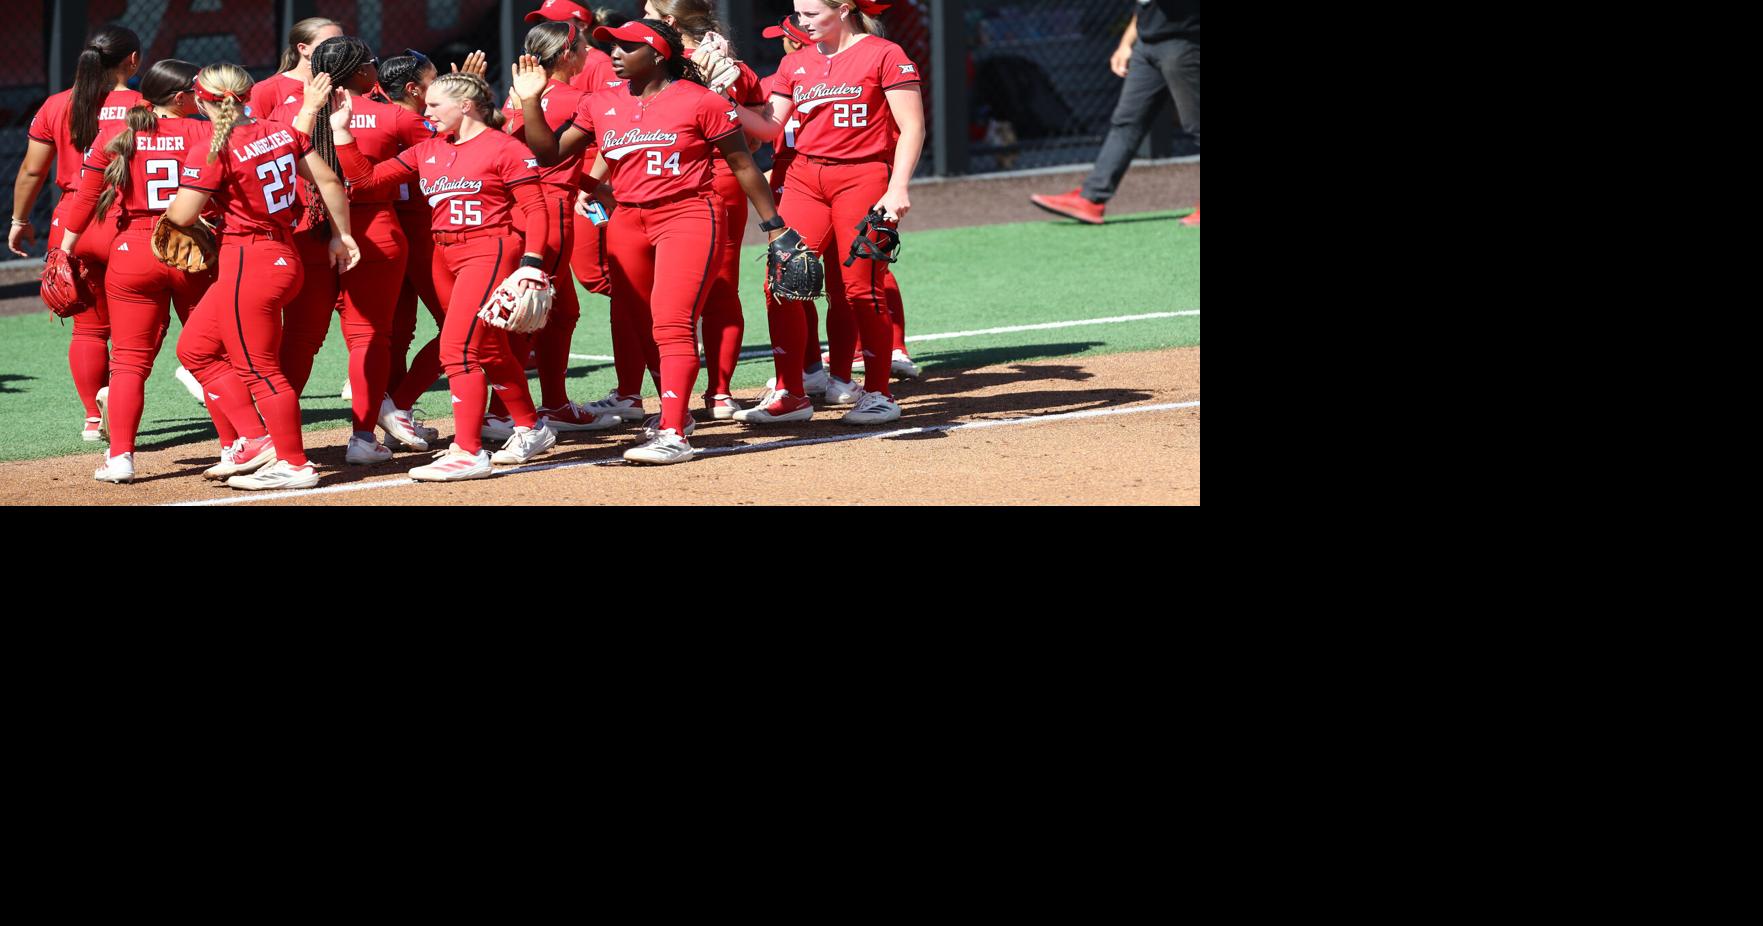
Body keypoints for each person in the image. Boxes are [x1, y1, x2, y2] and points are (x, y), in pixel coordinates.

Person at [514, 17, 792, 464]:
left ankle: (673, 432)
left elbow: (743, 165)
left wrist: (775, 226)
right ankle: (674, 411)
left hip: (688, 215)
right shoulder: (600, 102)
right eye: (613, 46)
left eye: (627, 47)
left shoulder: (700, 100)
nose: (615, 55)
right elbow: (547, 154)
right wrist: (530, 101)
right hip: (627, 221)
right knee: (641, 323)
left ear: (659, 55)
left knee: (671, 322)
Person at [331, 73, 559, 482]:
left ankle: (467, 451)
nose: (427, 112)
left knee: (459, 350)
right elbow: (365, 184)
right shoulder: (428, 149)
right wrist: (342, 133)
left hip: (489, 249)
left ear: (466, 105)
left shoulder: (504, 147)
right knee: (487, 347)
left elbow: (536, 208)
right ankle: (531, 427)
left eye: (436, 105)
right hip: (444, 253)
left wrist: (532, 262)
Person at [727, 0, 925, 427]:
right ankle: (792, 393)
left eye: (813, 13)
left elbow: (912, 126)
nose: (803, 22)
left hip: (863, 176)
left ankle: (878, 393)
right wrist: (723, 100)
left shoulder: (884, 54)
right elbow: (767, 129)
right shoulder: (796, 63)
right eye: (799, 14)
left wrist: (899, 186)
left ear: (845, 9)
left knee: (860, 287)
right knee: (782, 279)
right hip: (804, 177)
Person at [169, 63, 360, 491]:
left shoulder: (212, 149)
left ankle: (293, 463)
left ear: (201, 102)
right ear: (247, 95)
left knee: (260, 369)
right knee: (195, 349)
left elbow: (181, 216)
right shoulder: (280, 130)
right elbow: (329, 180)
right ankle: (255, 440)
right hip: (280, 254)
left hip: (249, 260)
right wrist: (341, 235)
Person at [274, 37, 437, 466]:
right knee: (369, 338)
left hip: (308, 229)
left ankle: (278, 442)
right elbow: (449, 149)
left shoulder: (287, 112)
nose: (376, 70)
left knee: (300, 339)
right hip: (371, 232)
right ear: (362, 73)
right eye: (372, 63)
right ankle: (363, 438)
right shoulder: (394, 116)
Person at [54, 59, 213, 484]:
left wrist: (64, 252)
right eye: (197, 90)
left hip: (134, 248)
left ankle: (121, 457)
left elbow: (84, 199)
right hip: (192, 246)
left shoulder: (115, 133)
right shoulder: (205, 130)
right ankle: (240, 445)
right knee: (217, 356)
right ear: (179, 97)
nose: (203, 96)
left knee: (126, 364)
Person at [9, 25, 142, 441]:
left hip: (72, 219)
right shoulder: (145, 103)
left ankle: (91, 416)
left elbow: (32, 170)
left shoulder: (56, 104)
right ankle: (118, 397)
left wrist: (19, 220)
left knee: (88, 328)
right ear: (133, 61)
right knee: (136, 329)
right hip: (129, 216)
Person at [486, 18, 614, 436]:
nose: (587, 55)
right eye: (581, 48)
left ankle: (554, 403)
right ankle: (503, 411)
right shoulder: (573, 96)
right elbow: (553, 154)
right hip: (550, 207)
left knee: (561, 311)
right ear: (564, 54)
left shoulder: (519, 94)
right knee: (530, 313)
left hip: (525, 205)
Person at [644, 0, 768, 421]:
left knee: (710, 287)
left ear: (669, 22)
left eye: (648, 12)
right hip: (674, 180)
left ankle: (709, 393)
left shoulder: (708, 65)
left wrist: (724, 107)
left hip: (707, 179)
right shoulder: (659, 64)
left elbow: (762, 127)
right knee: (689, 291)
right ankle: (695, 394)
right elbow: (759, 132)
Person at [1028, 0, 1199, 226]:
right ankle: (1091, 199)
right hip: (1146, 47)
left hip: (1183, 46)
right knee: (1127, 122)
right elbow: (1144, 8)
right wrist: (1126, 44)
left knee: (1196, 124)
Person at [247, 17, 344, 118]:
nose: (342, 49)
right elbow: (251, 131)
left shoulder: (346, 85)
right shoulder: (267, 89)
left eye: (343, 43)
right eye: (330, 44)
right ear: (303, 49)